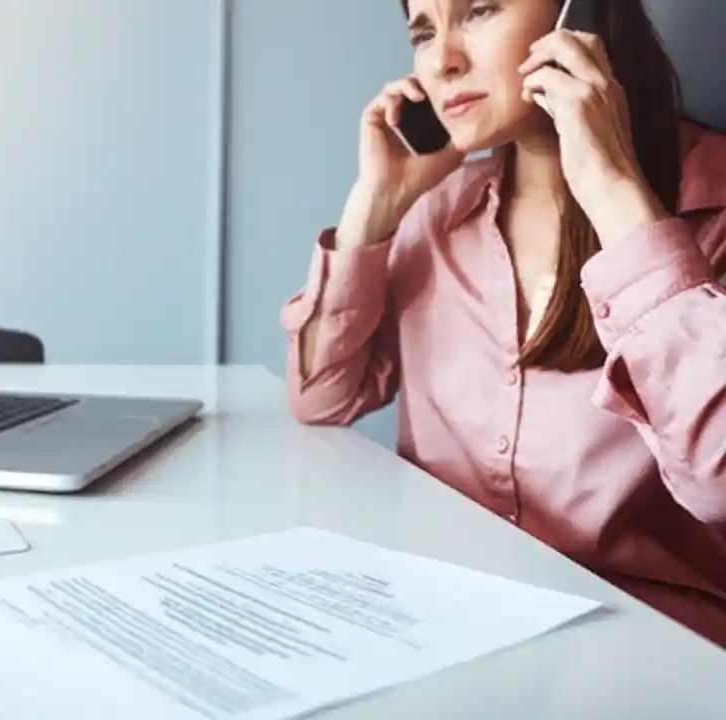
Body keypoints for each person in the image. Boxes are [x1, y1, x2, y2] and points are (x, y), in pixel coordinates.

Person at [281, 0, 726, 647]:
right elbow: (324, 395)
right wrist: (375, 205)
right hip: (444, 624)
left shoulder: (712, 211)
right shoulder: (438, 214)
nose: (443, 59)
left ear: (585, 16)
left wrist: (613, 187)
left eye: (481, 11)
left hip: (648, 650)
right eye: (424, 31)